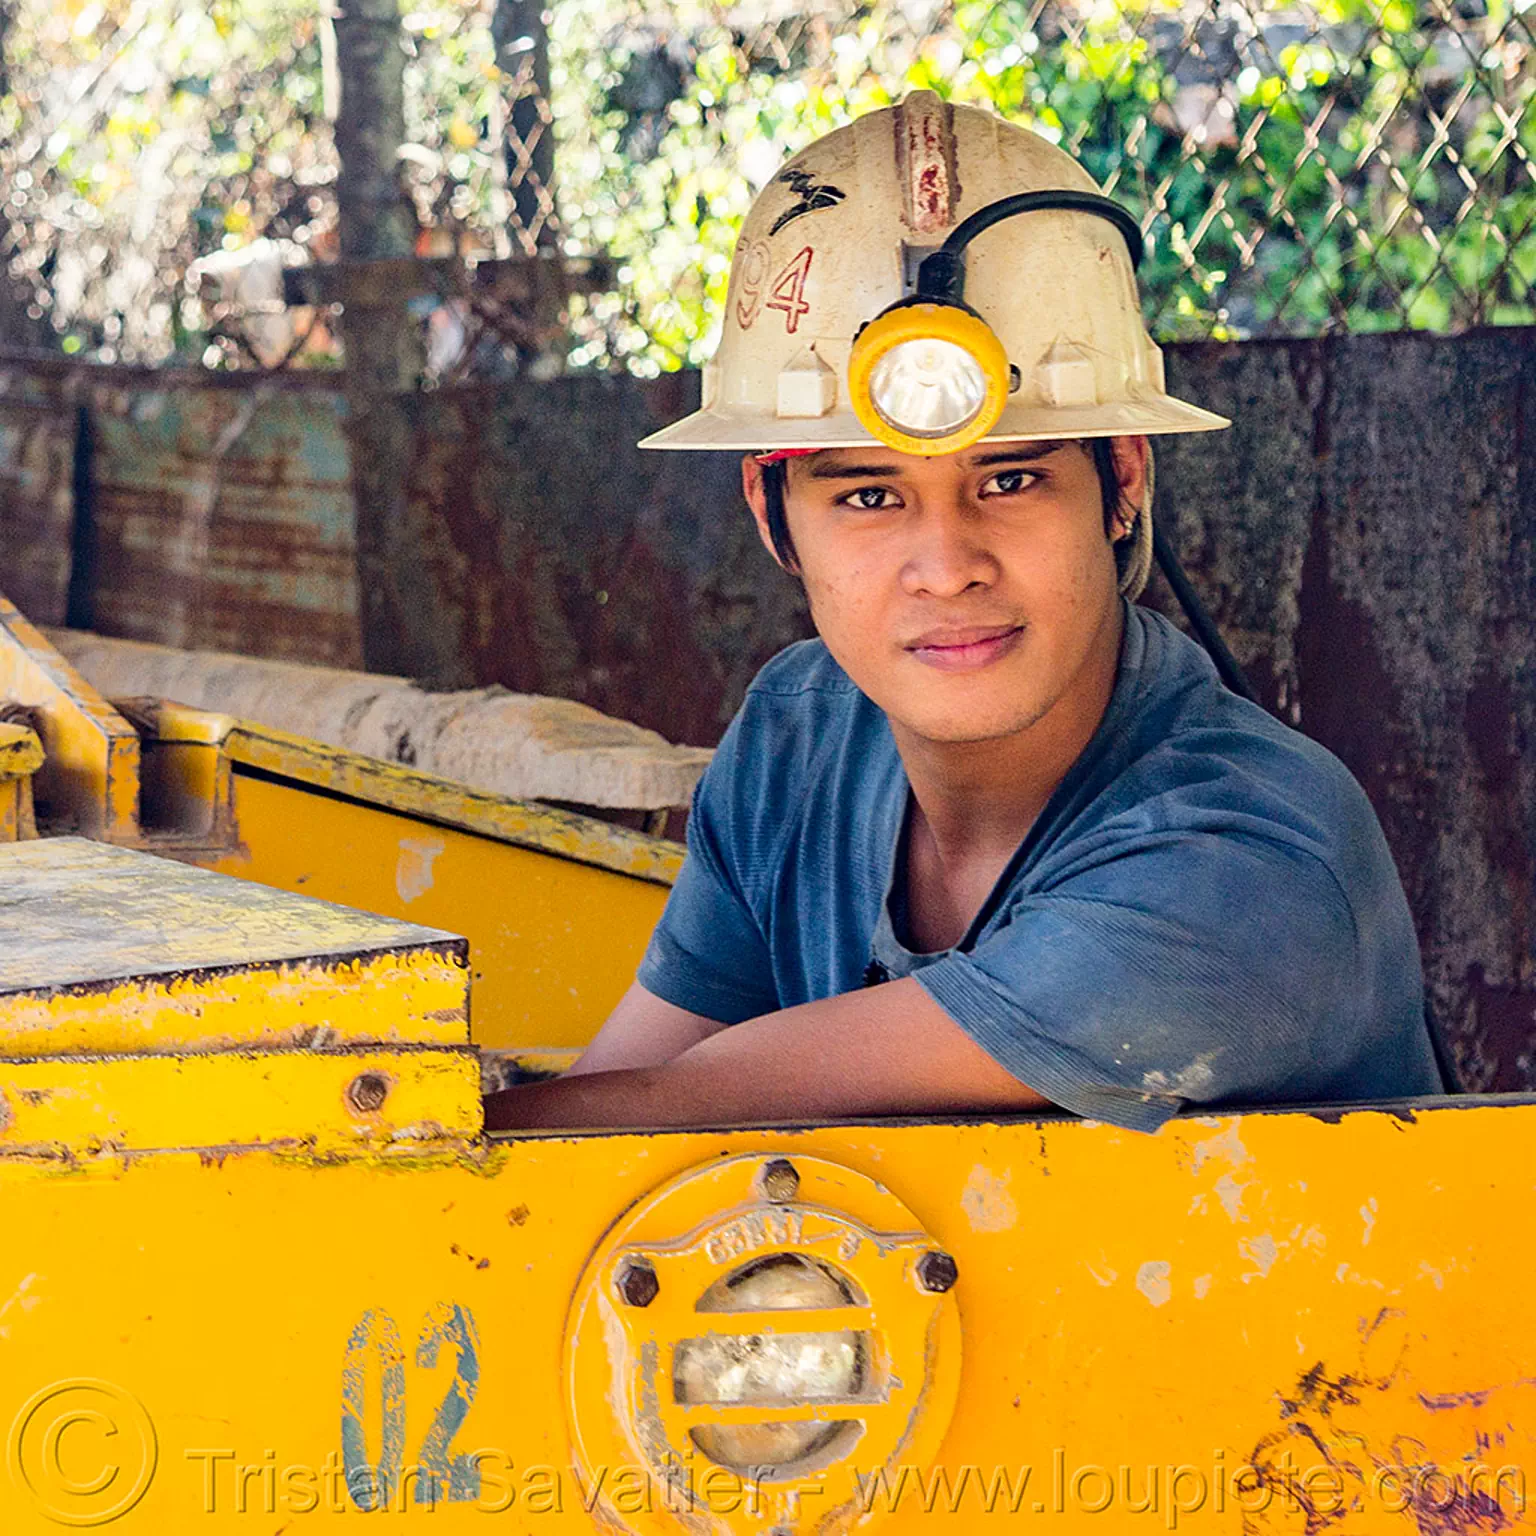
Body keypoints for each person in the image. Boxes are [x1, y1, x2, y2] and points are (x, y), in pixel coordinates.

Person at [483, 92, 1441, 1134]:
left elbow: (674, 1103)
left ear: (1122, 481)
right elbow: (608, 1111)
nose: (946, 570)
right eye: (868, 496)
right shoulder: (800, 741)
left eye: (1011, 480)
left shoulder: (1250, 863)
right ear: (770, 513)